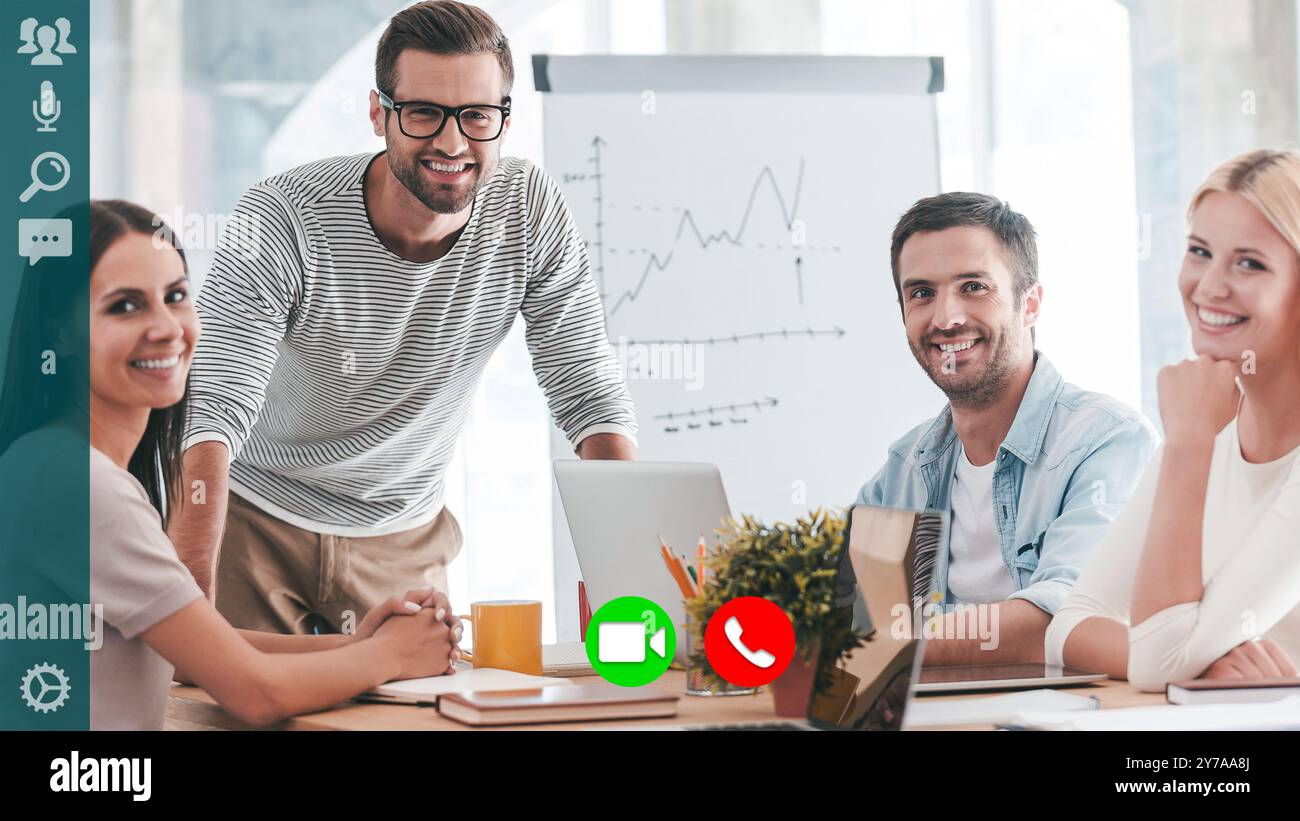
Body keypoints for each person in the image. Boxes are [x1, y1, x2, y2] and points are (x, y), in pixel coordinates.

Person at [169, 0, 638, 633]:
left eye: (477, 116)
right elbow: (214, 406)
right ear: (378, 114)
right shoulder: (283, 216)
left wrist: (628, 572)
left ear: (504, 119)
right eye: (422, 113)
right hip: (252, 524)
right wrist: (188, 597)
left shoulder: (529, 211)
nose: (452, 142)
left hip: (402, 539)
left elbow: (585, 385)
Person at [0, 200, 459, 729]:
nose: (167, 328)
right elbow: (255, 693)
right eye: (125, 306)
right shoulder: (81, 486)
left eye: (175, 297)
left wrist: (357, 644)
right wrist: (393, 656)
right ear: (58, 332)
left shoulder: (45, 462)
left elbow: (183, 642)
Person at [855, 192, 1157, 666]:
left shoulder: (1109, 441)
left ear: (1030, 303)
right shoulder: (905, 465)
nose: (946, 318)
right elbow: (852, 614)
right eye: (921, 293)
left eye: (973, 286)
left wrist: (890, 644)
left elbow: (1060, 621)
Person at [1046, 149, 1300, 690]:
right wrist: (1197, 661)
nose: (1209, 286)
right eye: (1200, 252)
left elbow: (1158, 663)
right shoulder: (1211, 427)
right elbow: (1067, 627)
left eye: (1249, 263)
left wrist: (1187, 444)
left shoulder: (1194, 435)